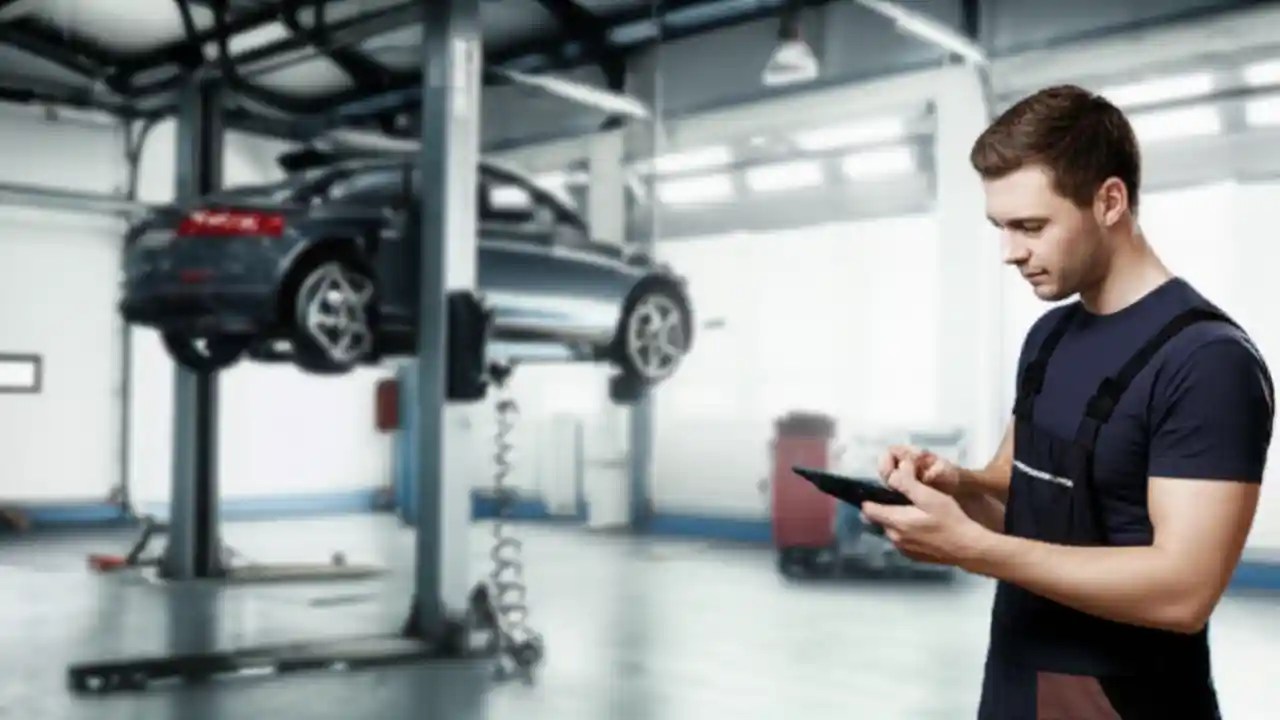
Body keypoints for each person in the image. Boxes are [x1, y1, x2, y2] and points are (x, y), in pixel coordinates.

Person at [861, 84, 1275, 719]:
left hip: (1126, 701)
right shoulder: (1050, 335)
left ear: (1110, 201)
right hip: (1017, 680)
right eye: (1000, 228)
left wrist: (970, 549)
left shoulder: (1206, 362)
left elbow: (1185, 591)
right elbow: (1018, 494)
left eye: (1030, 226)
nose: (1010, 252)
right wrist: (956, 488)